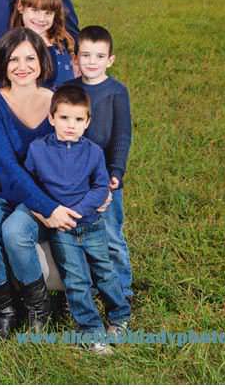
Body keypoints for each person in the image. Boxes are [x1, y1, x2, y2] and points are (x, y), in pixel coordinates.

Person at [0, 28, 74, 338]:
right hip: (1, 191)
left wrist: (47, 203)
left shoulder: (59, 102)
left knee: (15, 231)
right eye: (13, 59)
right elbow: (5, 166)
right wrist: (44, 208)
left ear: (42, 62)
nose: (22, 66)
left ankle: (38, 306)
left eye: (30, 58)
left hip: (46, 193)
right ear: (2, 65)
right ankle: (4, 307)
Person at [23, 85, 131, 355]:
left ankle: (120, 316)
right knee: (77, 280)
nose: (71, 125)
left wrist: (79, 210)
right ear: (51, 118)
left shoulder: (93, 152)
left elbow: (100, 186)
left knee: (104, 272)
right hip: (62, 230)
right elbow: (29, 185)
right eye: (64, 118)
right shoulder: (38, 150)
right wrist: (48, 212)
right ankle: (91, 332)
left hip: (91, 224)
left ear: (88, 122)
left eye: (78, 119)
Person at [64, 25, 133, 299]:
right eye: (86, 55)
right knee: (79, 236)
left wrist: (115, 171)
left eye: (99, 56)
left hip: (105, 179)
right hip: (75, 179)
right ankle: (87, 289)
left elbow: (121, 136)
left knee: (112, 238)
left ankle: (123, 290)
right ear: (76, 58)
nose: (92, 62)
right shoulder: (68, 90)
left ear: (110, 59)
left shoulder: (116, 92)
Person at [9, 0, 77, 89]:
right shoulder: (12, 45)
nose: (41, 18)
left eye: (48, 13)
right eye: (35, 10)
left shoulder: (62, 42)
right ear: (21, 6)